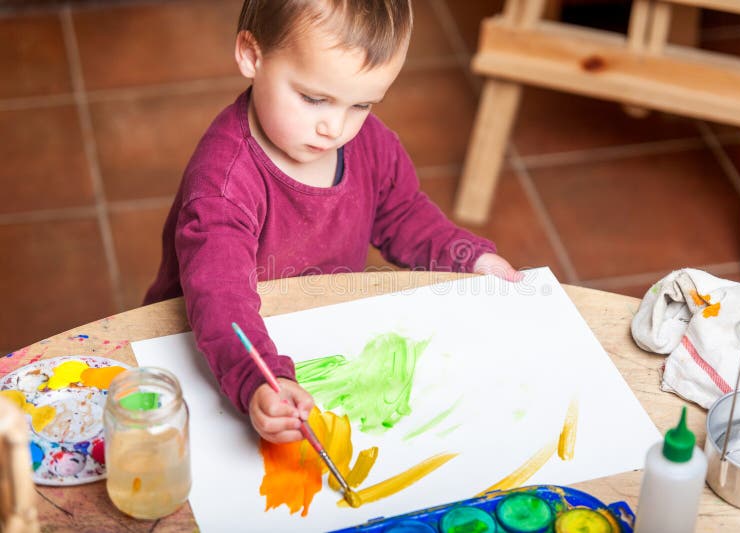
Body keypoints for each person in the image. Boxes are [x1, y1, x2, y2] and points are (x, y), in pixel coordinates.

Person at [144, 0, 522, 445]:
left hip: (318, 333)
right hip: (217, 349)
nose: (335, 128)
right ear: (252, 55)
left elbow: (404, 215)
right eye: (313, 99)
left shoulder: (371, 144)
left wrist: (470, 257)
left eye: (360, 104)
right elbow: (220, 299)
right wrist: (258, 380)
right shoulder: (225, 183)